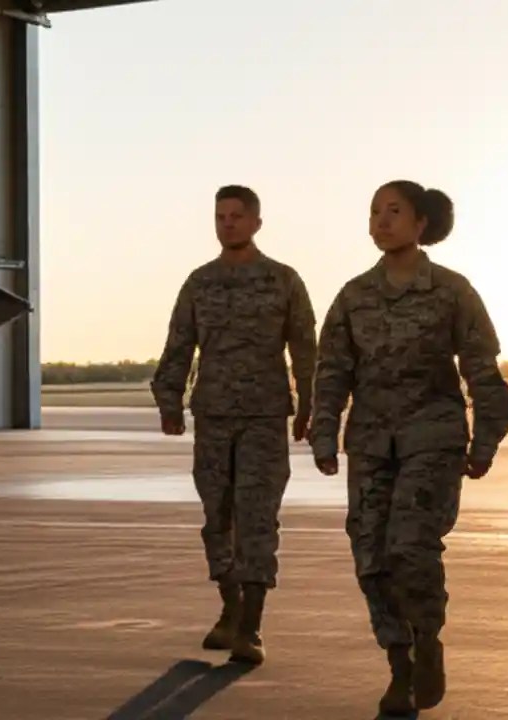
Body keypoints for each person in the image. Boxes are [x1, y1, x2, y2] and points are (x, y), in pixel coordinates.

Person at [310, 180, 508, 716]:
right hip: (372, 444)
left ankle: (427, 638)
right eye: (374, 211)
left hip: (434, 439)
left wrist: (487, 439)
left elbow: (482, 371)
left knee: (410, 546)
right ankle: (399, 664)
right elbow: (332, 371)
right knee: (371, 558)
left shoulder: (451, 291)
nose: (380, 221)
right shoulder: (354, 296)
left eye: (393, 211)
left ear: (421, 223)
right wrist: (325, 432)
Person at [150, 184, 317, 666]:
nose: (228, 224)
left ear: (257, 223)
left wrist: (308, 403)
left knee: (258, 517)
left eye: (237, 216)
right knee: (217, 517)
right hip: (214, 416)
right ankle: (229, 607)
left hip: (265, 417)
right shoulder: (200, 282)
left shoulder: (283, 280)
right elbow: (179, 344)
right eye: (221, 216)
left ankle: (252, 625)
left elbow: (305, 349)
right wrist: (170, 401)